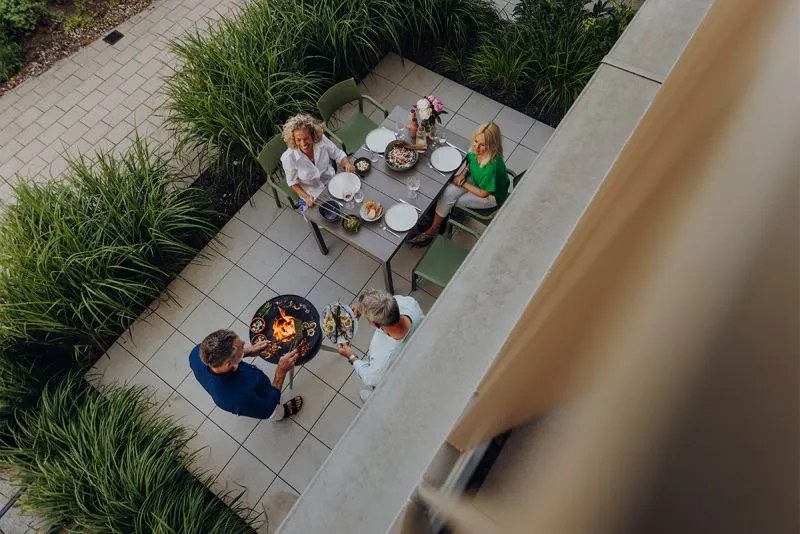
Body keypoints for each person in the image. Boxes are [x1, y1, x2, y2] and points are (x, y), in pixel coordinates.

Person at [408, 122, 510, 247]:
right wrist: (463, 173)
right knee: (447, 194)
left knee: (452, 200)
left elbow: (483, 193)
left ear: (492, 145)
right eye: (476, 141)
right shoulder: (475, 149)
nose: (477, 147)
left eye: (482, 145)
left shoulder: (491, 168)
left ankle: (433, 229)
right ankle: (441, 219)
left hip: (490, 196)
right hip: (477, 179)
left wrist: (463, 184)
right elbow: (470, 162)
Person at [189, 329, 303, 420]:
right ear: (229, 364)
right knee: (275, 411)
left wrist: (246, 352)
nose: (244, 343)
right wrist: (280, 372)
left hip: (244, 376)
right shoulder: (236, 397)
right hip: (264, 404)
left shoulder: (198, 352)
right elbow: (266, 410)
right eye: (241, 347)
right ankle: (284, 412)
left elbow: (227, 359)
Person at [337, 289, 424, 402]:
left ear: (377, 325)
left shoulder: (384, 358)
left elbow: (371, 377)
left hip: (399, 375)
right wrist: (362, 308)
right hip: (419, 347)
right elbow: (384, 305)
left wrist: (351, 356)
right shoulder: (408, 303)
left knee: (382, 388)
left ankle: (374, 396)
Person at [280, 113, 356, 208]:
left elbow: (338, 154)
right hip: (310, 194)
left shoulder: (321, 140)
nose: (303, 144)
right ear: (293, 139)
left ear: (312, 135)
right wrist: (307, 197)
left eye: (306, 138)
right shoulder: (288, 157)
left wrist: (347, 164)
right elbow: (292, 183)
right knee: (317, 217)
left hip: (331, 181)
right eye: (298, 140)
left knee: (352, 198)